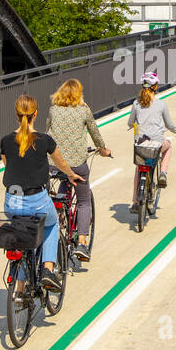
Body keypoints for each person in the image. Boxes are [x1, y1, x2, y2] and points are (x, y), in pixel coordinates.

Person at [1, 95, 82, 291]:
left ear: (16, 114)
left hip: (12, 202)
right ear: (35, 114)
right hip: (36, 200)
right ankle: (48, 269)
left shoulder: (5, 141)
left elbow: (8, 165)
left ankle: (20, 288)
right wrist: (71, 175)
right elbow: (61, 163)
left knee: (21, 237)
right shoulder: (44, 140)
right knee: (52, 225)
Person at [45, 79, 112, 262]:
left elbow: (47, 132)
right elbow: (95, 133)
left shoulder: (53, 110)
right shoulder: (84, 110)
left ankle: (59, 218)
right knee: (83, 201)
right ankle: (82, 242)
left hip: (54, 164)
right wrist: (103, 150)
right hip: (77, 164)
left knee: (63, 183)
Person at [127, 73, 176, 206]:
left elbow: (130, 123)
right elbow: (169, 125)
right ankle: (163, 172)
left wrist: (135, 125)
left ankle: (134, 202)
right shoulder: (161, 104)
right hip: (157, 145)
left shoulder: (136, 104)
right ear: (155, 87)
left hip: (141, 145)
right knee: (169, 146)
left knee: (139, 169)